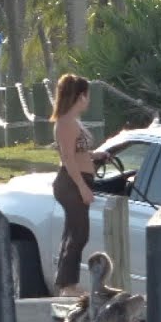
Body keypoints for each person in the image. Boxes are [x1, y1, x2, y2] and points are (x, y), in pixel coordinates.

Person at [51, 74, 108, 297]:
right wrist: (82, 187)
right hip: (71, 182)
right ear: (80, 96)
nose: (88, 100)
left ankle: (65, 282)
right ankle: (68, 285)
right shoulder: (65, 122)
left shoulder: (74, 122)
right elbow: (68, 158)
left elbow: (78, 152)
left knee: (73, 232)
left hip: (80, 179)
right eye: (87, 96)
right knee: (79, 233)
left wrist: (95, 155)